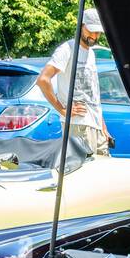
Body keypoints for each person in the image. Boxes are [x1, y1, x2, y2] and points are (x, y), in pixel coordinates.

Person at [37, 8, 110, 155]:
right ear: (81, 26)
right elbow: (43, 80)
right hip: (78, 125)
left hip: (95, 125)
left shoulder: (91, 54)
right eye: (91, 31)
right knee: (86, 173)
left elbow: (93, 93)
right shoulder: (67, 49)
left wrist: (102, 126)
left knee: (103, 171)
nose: (94, 36)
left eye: (98, 32)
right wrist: (63, 110)